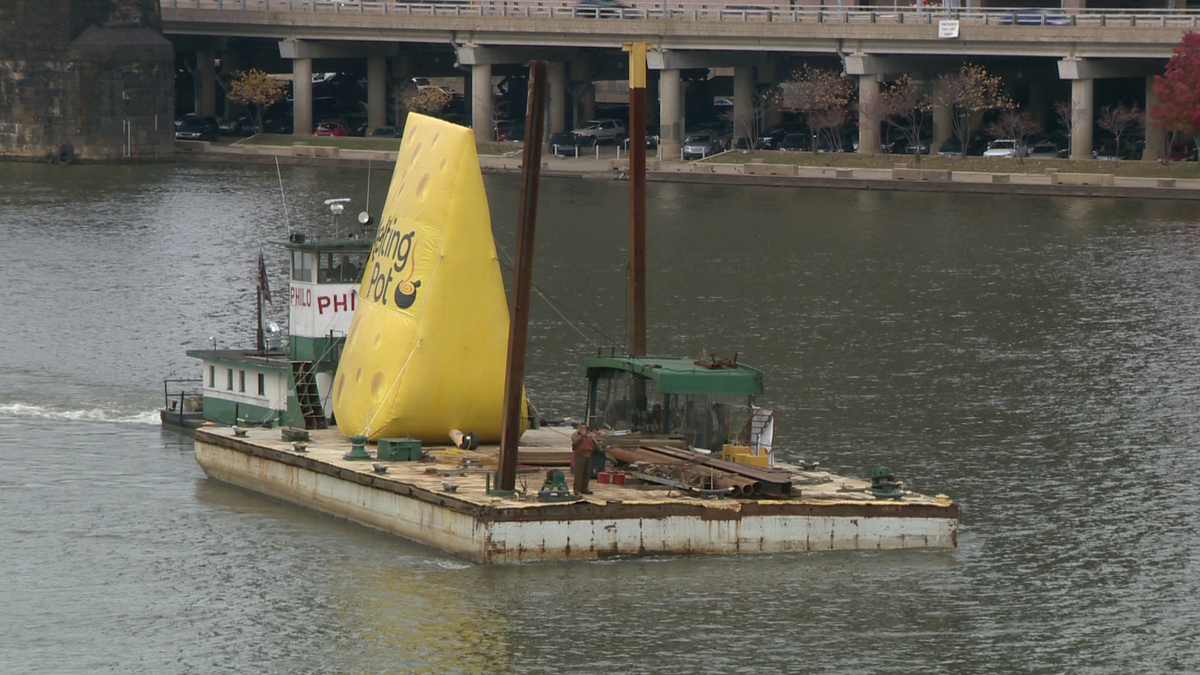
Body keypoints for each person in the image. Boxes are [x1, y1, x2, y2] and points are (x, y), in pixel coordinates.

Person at [571, 423, 597, 495]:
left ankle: (584, 488)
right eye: (581, 428)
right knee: (579, 473)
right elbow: (575, 443)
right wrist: (582, 436)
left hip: (588, 455)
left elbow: (594, 443)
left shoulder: (589, 435)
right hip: (580, 455)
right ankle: (577, 489)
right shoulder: (575, 435)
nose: (583, 429)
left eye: (584, 428)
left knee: (587, 473)